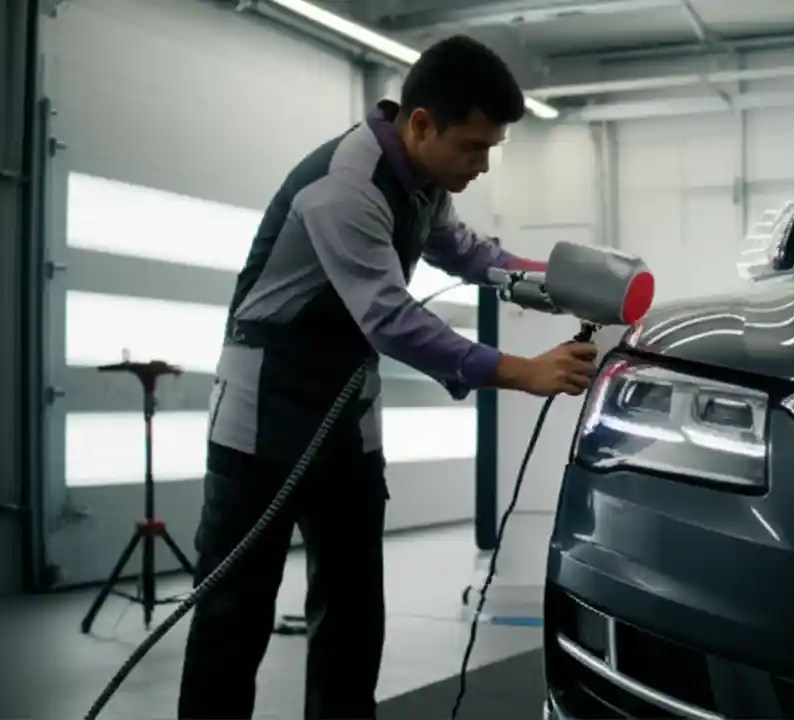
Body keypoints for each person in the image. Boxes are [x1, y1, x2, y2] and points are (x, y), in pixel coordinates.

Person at [177, 35, 598, 719]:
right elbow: (391, 318)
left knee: (351, 612)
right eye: (473, 147)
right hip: (264, 409)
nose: (482, 165)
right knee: (233, 613)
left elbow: (464, 253)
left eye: (490, 149)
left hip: (343, 409)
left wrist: (557, 284)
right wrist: (522, 372)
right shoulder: (345, 186)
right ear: (422, 123)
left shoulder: (422, 177)